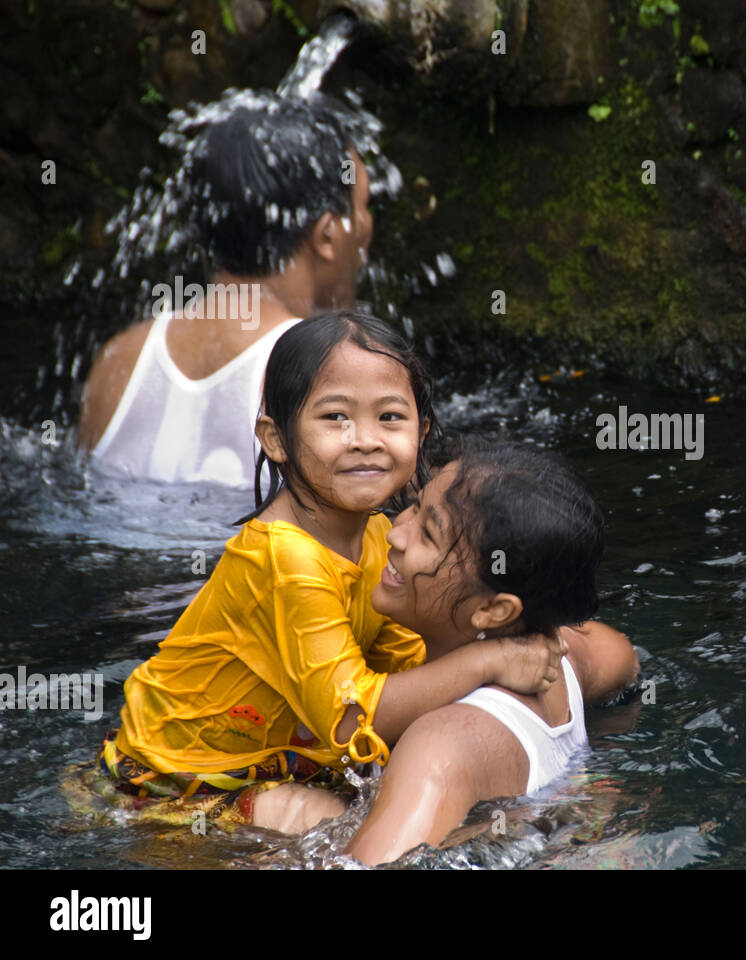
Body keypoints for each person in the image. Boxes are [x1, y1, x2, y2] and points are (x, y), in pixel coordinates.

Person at [97, 311, 566, 833]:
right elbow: (353, 721)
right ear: (276, 440)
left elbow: (406, 671)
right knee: (331, 823)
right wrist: (489, 658)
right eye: (335, 418)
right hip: (170, 780)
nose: (364, 438)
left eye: (390, 417)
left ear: (422, 431)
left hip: (279, 758)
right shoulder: (284, 559)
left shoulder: (374, 539)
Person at [256, 437, 638, 864]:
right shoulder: (567, 659)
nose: (395, 533)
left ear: (494, 610)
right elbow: (625, 660)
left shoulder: (441, 745)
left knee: (280, 809)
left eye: (428, 533)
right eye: (415, 506)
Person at [78, 96, 374, 488]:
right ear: (327, 235)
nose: (369, 224)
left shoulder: (119, 362)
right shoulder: (331, 371)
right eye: (365, 206)